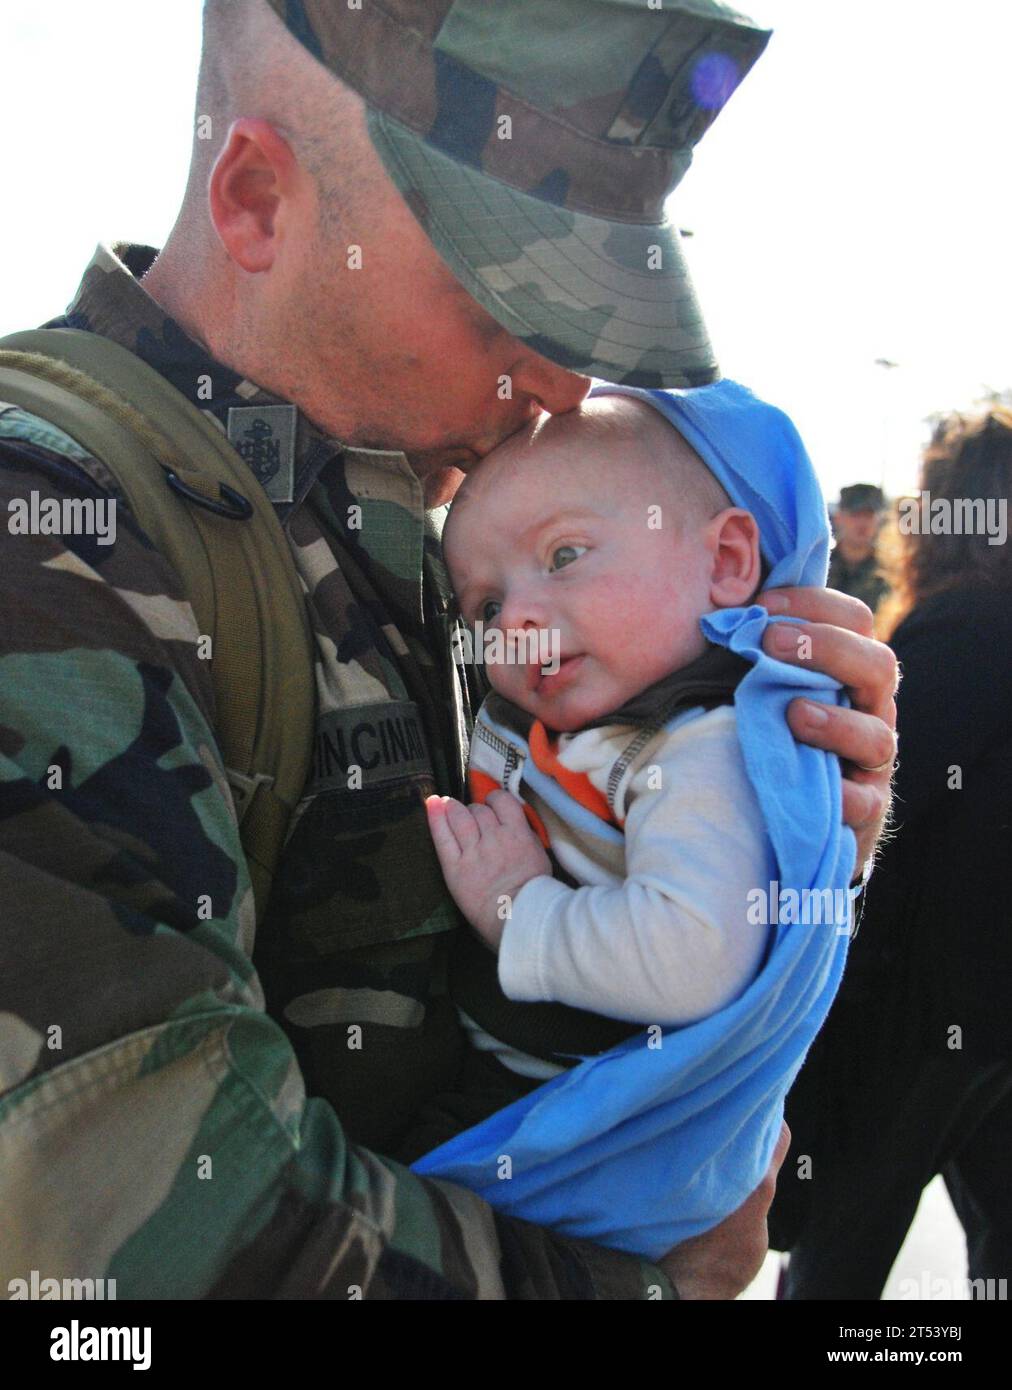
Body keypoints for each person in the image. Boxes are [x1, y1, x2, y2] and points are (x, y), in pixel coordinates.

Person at [0, 0, 896, 1299]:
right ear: (258, 198)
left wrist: (764, 822)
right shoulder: (49, 535)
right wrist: (643, 1285)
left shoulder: (398, 534)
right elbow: (131, 1238)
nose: (562, 385)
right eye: (507, 299)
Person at [770, 407, 1012, 1299]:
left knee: (840, 1254)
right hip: (991, 1023)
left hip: (920, 1021)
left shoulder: (956, 634)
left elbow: (875, 838)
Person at [828, 482, 888, 613]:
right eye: (855, 515)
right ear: (839, 518)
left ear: (878, 520)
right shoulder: (821, 565)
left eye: (869, 515)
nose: (862, 523)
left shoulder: (890, 571)